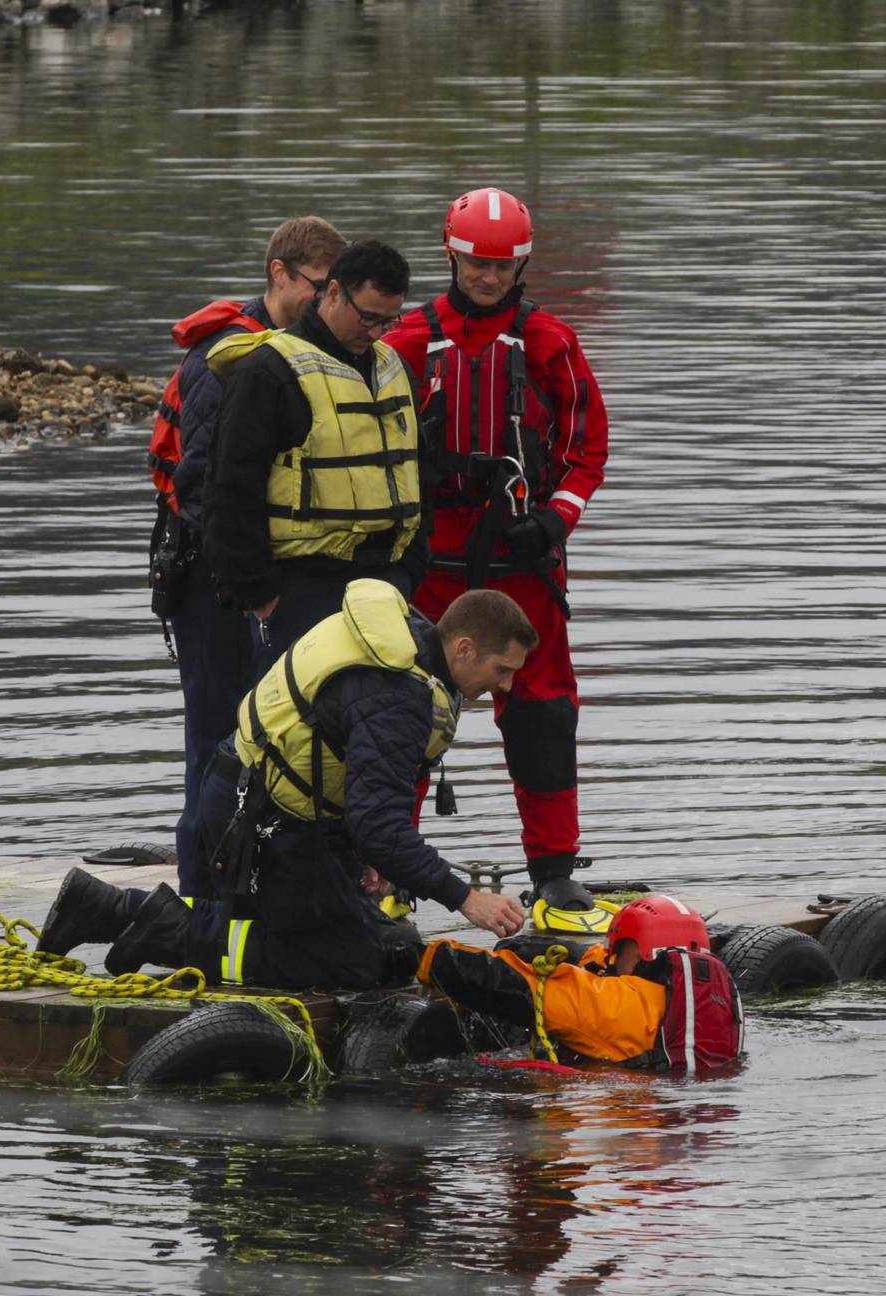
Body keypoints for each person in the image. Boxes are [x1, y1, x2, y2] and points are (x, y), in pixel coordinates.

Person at [37, 581, 534, 991]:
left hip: (269, 797)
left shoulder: (410, 645)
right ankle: (153, 929)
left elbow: (359, 789)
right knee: (350, 964)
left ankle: (104, 906)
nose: (506, 686)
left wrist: (368, 852)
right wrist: (466, 898)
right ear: (464, 648)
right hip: (260, 817)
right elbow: (379, 823)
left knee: (390, 940)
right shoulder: (398, 695)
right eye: (502, 670)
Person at [379, 188, 609, 914]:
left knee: (543, 714)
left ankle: (553, 869)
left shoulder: (549, 344)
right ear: (452, 255)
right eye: (477, 263)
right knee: (400, 711)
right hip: (431, 568)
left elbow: (586, 445)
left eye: (504, 265)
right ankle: (383, 873)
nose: (488, 277)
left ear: (523, 264)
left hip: (524, 566)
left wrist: (553, 520)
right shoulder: (407, 345)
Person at [147, 216, 348, 894]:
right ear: (279, 274)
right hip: (213, 577)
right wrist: (251, 581)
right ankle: (202, 896)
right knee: (217, 735)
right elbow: (196, 486)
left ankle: (262, 884)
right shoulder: (225, 358)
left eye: (334, 293)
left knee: (276, 733)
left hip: (269, 574)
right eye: (316, 288)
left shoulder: (304, 353)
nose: (325, 305)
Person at [203, 238, 426, 678]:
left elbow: (420, 470)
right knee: (300, 733)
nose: (377, 332)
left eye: (389, 320)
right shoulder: (266, 372)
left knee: (389, 724)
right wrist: (263, 596)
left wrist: (413, 568)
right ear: (335, 292)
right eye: (368, 317)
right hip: (300, 589)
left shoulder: (394, 368)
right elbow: (230, 491)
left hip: (387, 582)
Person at [415, 895, 744, 1072]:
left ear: (641, 953)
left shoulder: (614, 1005)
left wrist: (424, 958)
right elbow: (601, 968)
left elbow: (511, 984)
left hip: (616, 1114)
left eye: (618, 948)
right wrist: (559, 953)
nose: (610, 956)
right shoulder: (713, 997)